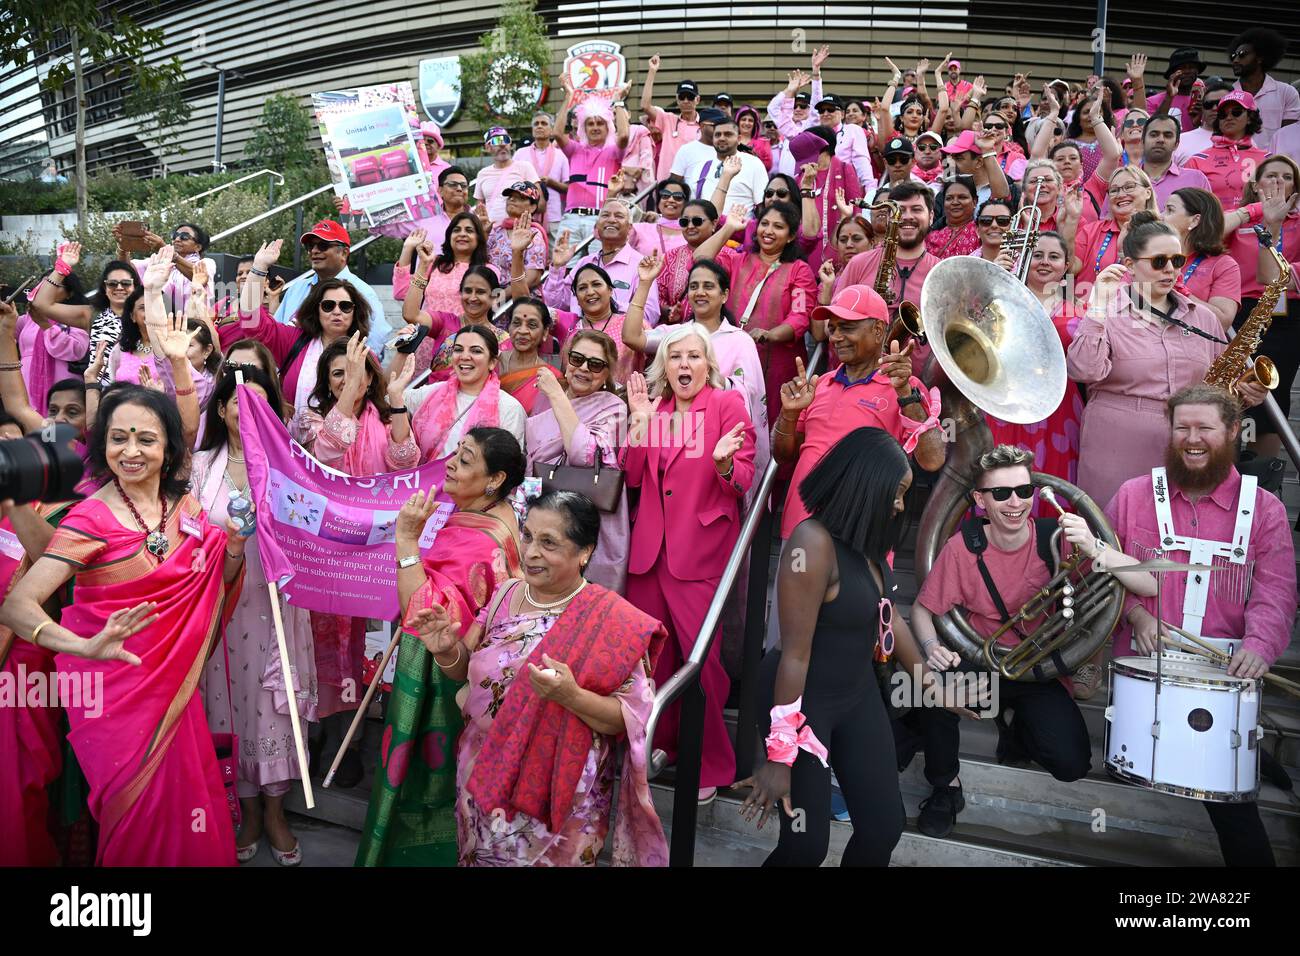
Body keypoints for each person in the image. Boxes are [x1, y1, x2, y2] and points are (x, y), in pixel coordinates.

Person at [0, 385, 249, 865]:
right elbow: (19, 605)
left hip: (176, 696)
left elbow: (216, 586)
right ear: (102, 446)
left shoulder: (187, 511)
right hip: (116, 700)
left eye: (145, 439)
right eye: (118, 438)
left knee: (189, 810)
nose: (131, 451)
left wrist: (234, 548)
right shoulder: (90, 519)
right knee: (137, 820)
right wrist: (84, 646)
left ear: (169, 448)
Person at [405, 490, 668, 866]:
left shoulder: (611, 621)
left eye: (549, 543)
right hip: (482, 775)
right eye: (527, 536)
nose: (530, 553)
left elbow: (628, 718)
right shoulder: (505, 594)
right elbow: (466, 671)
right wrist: (446, 649)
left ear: (585, 553)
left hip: (561, 796)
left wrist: (570, 695)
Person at [1103, 385, 1294, 866]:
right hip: (1147, 667)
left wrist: (1259, 646)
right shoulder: (1132, 495)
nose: (1192, 439)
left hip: (1226, 675)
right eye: (1181, 427)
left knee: (1227, 801)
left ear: (1233, 431)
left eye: (1205, 428)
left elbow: (1276, 591)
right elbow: (1095, 567)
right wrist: (1135, 612)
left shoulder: (1266, 511)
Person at [904, 444, 1129, 838]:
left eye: (1024, 491)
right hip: (982, 661)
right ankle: (945, 786)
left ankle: (1019, 727)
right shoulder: (962, 546)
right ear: (979, 500)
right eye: (1001, 493)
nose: (1015, 502)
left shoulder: (1058, 537)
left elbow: (1146, 580)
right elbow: (923, 610)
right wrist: (930, 648)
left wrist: (1095, 547)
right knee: (931, 692)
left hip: (1037, 667)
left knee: (1072, 764)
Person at [740, 427, 921, 866]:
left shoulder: (869, 545)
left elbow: (888, 616)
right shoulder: (812, 543)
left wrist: (931, 682)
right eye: (895, 493)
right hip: (802, 700)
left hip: (857, 696)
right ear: (866, 485)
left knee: (882, 829)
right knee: (805, 847)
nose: (899, 505)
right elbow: (796, 656)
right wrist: (779, 756)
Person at [356, 431, 525, 865]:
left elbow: (423, 614)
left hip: (446, 680)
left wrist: (407, 541)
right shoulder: (482, 516)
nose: (450, 464)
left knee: (432, 785)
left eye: (465, 460)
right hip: (454, 670)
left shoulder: (483, 540)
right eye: (455, 453)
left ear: (495, 479)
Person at [623, 324, 755, 802]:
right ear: (664, 367)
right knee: (651, 663)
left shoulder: (725, 406)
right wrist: (637, 422)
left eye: (693, 357)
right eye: (675, 357)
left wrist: (723, 465)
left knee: (705, 667)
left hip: (699, 554)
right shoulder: (654, 411)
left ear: (708, 365)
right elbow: (633, 476)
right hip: (649, 556)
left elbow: (743, 479)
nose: (684, 365)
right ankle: (661, 745)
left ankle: (710, 764)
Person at [193, 364, 317, 864]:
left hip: (278, 602)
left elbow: (314, 528)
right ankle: (243, 808)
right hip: (221, 600)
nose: (247, 412)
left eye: (261, 403)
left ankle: (275, 812)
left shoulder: (292, 462)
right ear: (220, 409)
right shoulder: (201, 466)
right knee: (227, 702)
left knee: (274, 701)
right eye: (238, 402)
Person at [1066, 212, 1265, 510]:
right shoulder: (1105, 309)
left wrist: (1248, 392)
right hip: (1118, 443)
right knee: (1109, 534)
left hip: (1189, 443)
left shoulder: (1204, 318)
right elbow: (1083, 369)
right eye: (1159, 261)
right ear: (1130, 265)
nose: (1170, 269)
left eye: (1177, 260)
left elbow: (1221, 384)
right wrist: (1096, 308)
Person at [776, 284, 943, 541]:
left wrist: (905, 393)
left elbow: (932, 460)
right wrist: (788, 415)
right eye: (833, 328)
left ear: (878, 331)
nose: (836, 337)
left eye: (848, 327)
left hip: (860, 537)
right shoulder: (820, 384)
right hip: (801, 528)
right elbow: (783, 455)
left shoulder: (906, 388)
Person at [624, 254, 770, 487]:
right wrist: (644, 283)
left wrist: (709, 379)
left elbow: (749, 393)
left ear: (724, 295)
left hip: (716, 432)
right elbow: (632, 337)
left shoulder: (740, 340)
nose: (700, 292)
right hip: (671, 426)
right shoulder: (676, 334)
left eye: (708, 286)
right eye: (694, 286)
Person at [525, 331, 629, 593]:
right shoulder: (544, 397)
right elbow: (532, 459)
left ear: (606, 374)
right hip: (538, 505)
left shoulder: (613, 406)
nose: (583, 368)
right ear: (566, 360)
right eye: (577, 358)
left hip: (584, 521)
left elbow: (584, 455)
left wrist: (558, 397)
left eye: (595, 364)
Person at [694, 200, 818, 416]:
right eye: (764, 224)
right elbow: (700, 260)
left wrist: (769, 335)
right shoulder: (737, 260)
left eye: (778, 227)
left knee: (767, 422)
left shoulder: (800, 270)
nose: (768, 231)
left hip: (776, 364)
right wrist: (729, 228)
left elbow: (799, 316)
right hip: (730, 356)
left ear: (790, 236)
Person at [224, 239, 374, 414]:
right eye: (328, 305)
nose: (337, 311)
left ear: (355, 312)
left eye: (345, 306)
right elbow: (252, 321)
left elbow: (376, 398)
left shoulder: (364, 354)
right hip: (292, 439)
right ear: (315, 310)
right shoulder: (293, 340)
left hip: (350, 438)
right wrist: (259, 267)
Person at [985, 232, 1085, 487]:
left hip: (1059, 409)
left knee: (1054, 475)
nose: (1044, 262)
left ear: (1066, 265)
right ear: (1026, 259)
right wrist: (993, 282)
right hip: (1005, 402)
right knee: (1000, 474)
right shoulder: (1001, 302)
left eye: (1054, 257)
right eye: (1037, 255)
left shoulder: (1081, 311)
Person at [1222, 154, 1300, 458]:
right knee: (1228, 395)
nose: (1278, 181)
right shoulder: (1240, 216)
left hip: (1284, 317)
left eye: (1286, 176)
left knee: (1272, 395)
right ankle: (1224, 472)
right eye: (1270, 176)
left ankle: (1264, 479)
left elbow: (1272, 276)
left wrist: (1275, 223)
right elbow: (1207, 235)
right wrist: (1253, 212)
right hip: (1239, 312)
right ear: (1255, 185)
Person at [389, 324, 527, 472]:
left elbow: (509, 469)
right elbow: (384, 399)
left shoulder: (509, 408)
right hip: (426, 491)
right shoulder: (431, 394)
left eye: (476, 351)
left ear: (492, 362)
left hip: (475, 494)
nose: (464, 356)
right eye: (458, 349)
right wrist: (402, 352)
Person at [273, 220, 389, 356]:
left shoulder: (363, 292)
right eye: (310, 246)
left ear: (344, 253)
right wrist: (259, 269)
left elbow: (376, 341)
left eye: (323, 245)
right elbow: (273, 332)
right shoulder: (296, 289)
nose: (314, 251)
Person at [28, 245, 135, 387]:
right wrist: (62, 267)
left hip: (140, 391)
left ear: (135, 286)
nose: (120, 287)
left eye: (126, 283)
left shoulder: (147, 313)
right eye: (112, 283)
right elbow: (41, 304)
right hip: (102, 394)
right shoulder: (92, 314)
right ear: (104, 288)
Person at [555, 79, 632, 240]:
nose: (595, 127)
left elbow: (624, 135)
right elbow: (557, 133)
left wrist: (618, 100)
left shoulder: (613, 151)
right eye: (590, 124)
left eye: (600, 123)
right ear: (584, 128)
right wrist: (569, 97)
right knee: (564, 265)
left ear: (608, 127)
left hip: (601, 219)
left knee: (599, 265)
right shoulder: (575, 149)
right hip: (571, 219)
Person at [399, 259, 502, 380]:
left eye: (480, 292)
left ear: (495, 297)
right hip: (438, 397)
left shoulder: (503, 340)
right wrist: (423, 267)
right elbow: (411, 315)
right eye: (468, 291)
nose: (472, 298)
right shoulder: (445, 322)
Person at [397, 213, 499, 332]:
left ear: (479, 237)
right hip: (428, 336)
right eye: (456, 230)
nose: (462, 234)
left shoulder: (489, 270)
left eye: (469, 230)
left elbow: (492, 309)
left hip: (468, 339)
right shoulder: (434, 263)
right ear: (449, 236)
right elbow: (402, 293)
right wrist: (408, 249)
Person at [1070, 165, 1158, 293]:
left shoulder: (1162, 234)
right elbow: (1070, 270)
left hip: (1141, 309)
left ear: (1148, 192)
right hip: (1090, 309)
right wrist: (1070, 221)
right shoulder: (1092, 231)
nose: (1121, 194)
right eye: (1114, 190)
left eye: (1129, 187)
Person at [1163, 187, 1241, 330]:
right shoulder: (1152, 257)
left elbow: (1222, 323)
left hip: (1195, 347)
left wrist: (1181, 291)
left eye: (1170, 210)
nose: (1161, 216)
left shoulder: (1223, 265)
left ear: (1194, 220)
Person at [1184, 90, 1269, 211]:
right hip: (1216, 228)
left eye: (1236, 112)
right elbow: (1188, 205)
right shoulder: (1197, 161)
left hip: (1257, 229)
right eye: (1223, 114)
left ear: (1250, 117)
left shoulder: (1268, 159)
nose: (1229, 118)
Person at [113, 221, 216, 316]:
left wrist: (165, 249)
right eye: (175, 235)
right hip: (161, 325)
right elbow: (127, 270)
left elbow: (198, 276)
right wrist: (123, 247)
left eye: (184, 237)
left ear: (198, 247)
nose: (177, 239)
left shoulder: (206, 263)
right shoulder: (161, 262)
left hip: (194, 326)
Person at [1228, 28, 1300, 152]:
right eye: (1234, 56)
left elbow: (1289, 136)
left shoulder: (1286, 92)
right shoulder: (1228, 93)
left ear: (1260, 58)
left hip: (1273, 164)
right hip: (1237, 161)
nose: (1235, 60)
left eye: (1242, 55)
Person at [653, 198, 719, 319]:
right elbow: (657, 297)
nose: (690, 226)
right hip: (678, 330)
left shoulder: (729, 256)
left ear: (714, 223)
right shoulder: (670, 256)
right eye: (684, 222)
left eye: (697, 221)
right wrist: (670, 311)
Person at [496, 296, 559, 414]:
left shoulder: (552, 377)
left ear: (545, 332)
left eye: (532, 325)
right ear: (508, 327)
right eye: (516, 323)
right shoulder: (490, 364)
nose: (522, 331)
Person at [641, 59, 702, 180]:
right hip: (666, 186)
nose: (685, 101)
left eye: (690, 97)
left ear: (697, 100)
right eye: (682, 97)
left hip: (693, 185)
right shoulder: (668, 119)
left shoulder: (704, 125)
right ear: (677, 99)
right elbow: (645, 106)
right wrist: (652, 71)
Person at [698, 118, 771, 212]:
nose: (722, 138)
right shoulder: (703, 166)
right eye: (717, 135)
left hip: (741, 225)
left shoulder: (754, 163)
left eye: (728, 134)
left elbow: (762, 205)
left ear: (739, 139)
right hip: (707, 225)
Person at [1140, 114, 1212, 208]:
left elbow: (1208, 219)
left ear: (1177, 144)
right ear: (1142, 141)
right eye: (1154, 135)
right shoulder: (1127, 179)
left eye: (1167, 135)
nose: (1160, 140)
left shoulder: (1196, 179)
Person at [515, 113, 570, 236]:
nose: (539, 126)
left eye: (544, 124)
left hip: (554, 216)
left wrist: (551, 183)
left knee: (554, 254)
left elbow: (568, 188)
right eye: (536, 124)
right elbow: (513, 183)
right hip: (525, 214)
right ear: (532, 130)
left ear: (551, 130)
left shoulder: (561, 155)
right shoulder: (520, 154)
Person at [472, 127, 540, 226]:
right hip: (490, 233)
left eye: (506, 140)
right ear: (488, 147)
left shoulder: (525, 167)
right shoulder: (482, 173)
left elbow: (538, 202)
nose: (502, 144)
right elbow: (480, 206)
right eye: (496, 141)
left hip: (517, 229)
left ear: (510, 144)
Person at [486, 181, 547, 291]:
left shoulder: (533, 235)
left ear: (532, 207)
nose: (512, 200)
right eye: (510, 197)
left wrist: (501, 297)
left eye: (520, 198)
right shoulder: (496, 230)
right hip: (490, 294)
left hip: (517, 300)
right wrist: (483, 233)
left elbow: (532, 278)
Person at [938, 128, 1012, 207]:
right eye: (952, 158)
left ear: (979, 162)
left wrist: (987, 150)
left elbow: (1002, 197)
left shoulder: (1011, 188)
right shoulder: (945, 193)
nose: (951, 163)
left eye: (959, 158)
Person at [1147, 48, 1207, 132]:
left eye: (1191, 67)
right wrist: (1168, 97)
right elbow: (1148, 130)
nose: (1187, 71)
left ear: (1197, 71)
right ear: (1172, 73)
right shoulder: (1152, 101)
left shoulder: (1205, 104)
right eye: (1181, 68)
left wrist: (1201, 118)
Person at [630, 179, 691, 255]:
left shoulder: (691, 233)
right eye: (665, 195)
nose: (671, 200)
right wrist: (613, 192)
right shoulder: (638, 229)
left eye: (678, 196)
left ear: (685, 204)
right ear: (659, 202)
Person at [925, 176, 981, 259]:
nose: (955, 202)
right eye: (949, 198)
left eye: (962, 197)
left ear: (975, 201)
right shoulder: (931, 237)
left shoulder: (981, 233)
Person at [735, 105, 773, 170]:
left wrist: (755, 158)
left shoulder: (764, 143)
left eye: (750, 120)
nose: (747, 123)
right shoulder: (731, 141)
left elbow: (768, 166)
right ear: (738, 122)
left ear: (755, 124)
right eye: (743, 119)